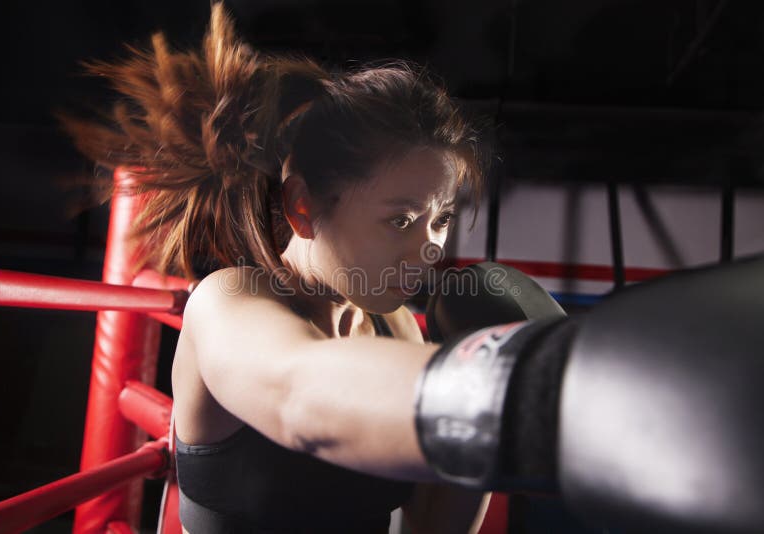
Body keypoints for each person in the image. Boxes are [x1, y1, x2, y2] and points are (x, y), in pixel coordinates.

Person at [62, 3, 490, 532]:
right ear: (304, 207)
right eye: (400, 220)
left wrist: (481, 438)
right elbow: (300, 396)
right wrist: (498, 376)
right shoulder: (228, 303)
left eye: (441, 219)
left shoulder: (394, 326)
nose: (430, 249)